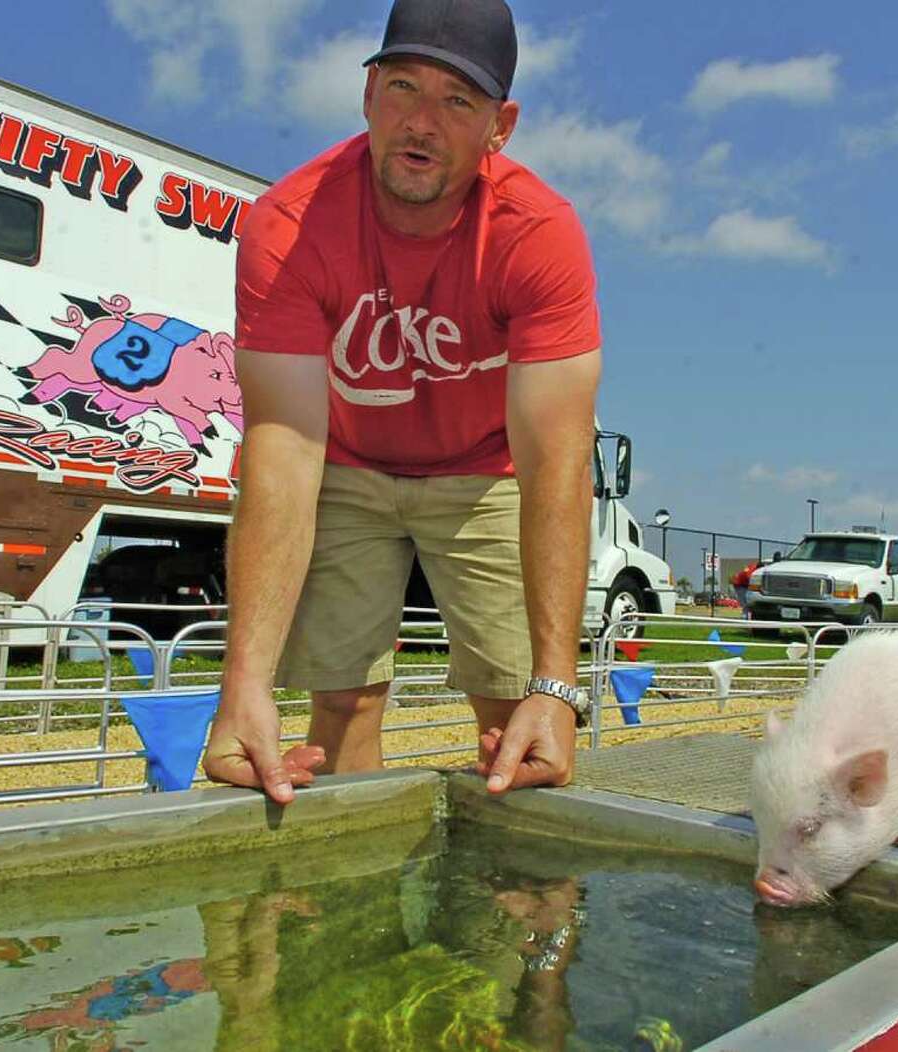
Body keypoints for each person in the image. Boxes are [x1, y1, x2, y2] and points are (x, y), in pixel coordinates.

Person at [204, 0, 603, 805]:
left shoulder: (539, 233)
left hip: (485, 468)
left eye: (458, 101)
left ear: (501, 126)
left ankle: (512, 921)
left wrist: (557, 689)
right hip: (346, 460)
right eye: (402, 88)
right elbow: (281, 442)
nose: (421, 123)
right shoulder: (289, 223)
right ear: (366, 96)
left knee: (511, 698)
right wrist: (240, 684)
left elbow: (556, 459)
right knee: (342, 694)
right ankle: (362, 912)